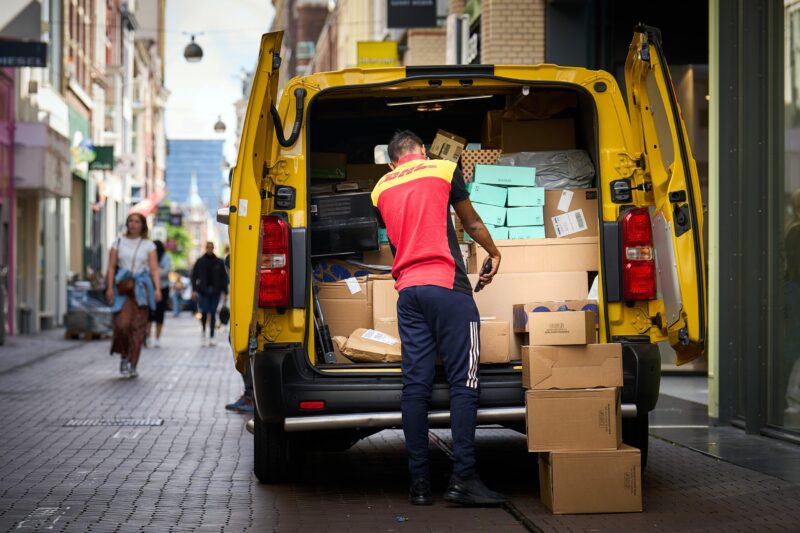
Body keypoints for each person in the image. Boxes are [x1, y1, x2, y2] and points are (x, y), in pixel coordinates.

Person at [371, 130, 505, 506]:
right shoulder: (443, 169)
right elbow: (472, 223)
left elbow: (398, 240)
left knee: (415, 387)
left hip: (408, 293)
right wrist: (493, 253)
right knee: (465, 383)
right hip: (448, 288)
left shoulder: (381, 188)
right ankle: (463, 479)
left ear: (393, 161)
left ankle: (419, 485)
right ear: (423, 152)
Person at [105, 213, 161, 378]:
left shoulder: (148, 245)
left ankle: (133, 362)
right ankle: (123, 355)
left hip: (141, 289)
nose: (133, 224)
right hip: (122, 287)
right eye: (130, 221)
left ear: (142, 225)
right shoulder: (118, 242)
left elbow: (154, 269)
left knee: (138, 327)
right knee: (122, 325)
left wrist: (157, 289)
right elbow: (110, 267)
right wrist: (109, 288)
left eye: (137, 222)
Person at [191, 241, 229, 346]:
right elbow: (194, 276)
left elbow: (224, 278)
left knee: (212, 313)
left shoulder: (219, 262)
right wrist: (194, 290)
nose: (209, 249)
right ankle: (203, 333)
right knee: (204, 312)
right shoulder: (200, 261)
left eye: (211, 247)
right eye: (208, 247)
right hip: (203, 291)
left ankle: (212, 336)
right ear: (205, 248)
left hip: (215, 291)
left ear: (213, 248)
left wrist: (225, 292)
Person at [147, 240, 172, 348]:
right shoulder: (149, 256)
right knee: (149, 314)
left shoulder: (166, 257)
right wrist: (157, 271)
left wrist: (154, 272)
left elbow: (166, 270)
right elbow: (147, 270)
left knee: (160, 313)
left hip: (163, 288)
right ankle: (148, 337)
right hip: (150, 288)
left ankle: (157, 338)